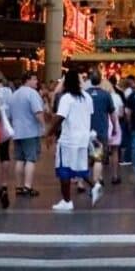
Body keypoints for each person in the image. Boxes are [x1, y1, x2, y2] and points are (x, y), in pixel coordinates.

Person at [52, 70, 100, 211]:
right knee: (80, 167)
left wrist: (49, 133)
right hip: (83, 139)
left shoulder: (67, 98)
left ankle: (67, 201)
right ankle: (95, 185)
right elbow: (90, 115)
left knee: (64, 170)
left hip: (68, 139)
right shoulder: (87, 97)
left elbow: (60, 117)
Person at [8, 70, 46, 197]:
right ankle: (27, 187)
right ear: (27, 80)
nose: (37, 82)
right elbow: (38, 112)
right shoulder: (32, 93)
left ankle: (18, 187)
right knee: (30, 159)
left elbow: (9, 114)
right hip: (30, 131)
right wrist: (43, 125)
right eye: (34, 79)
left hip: (17, 131)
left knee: (19, 159)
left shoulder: (15, 94)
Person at [87, 74, 117, 190]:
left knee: (84, 158)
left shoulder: (85, 94)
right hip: (100, 130)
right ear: (100, 81)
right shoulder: (106, 95)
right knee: (98, 157)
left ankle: (80, 183)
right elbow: (112, 114)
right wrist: (114, 127)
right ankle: (97, 179)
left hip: (85, 130)